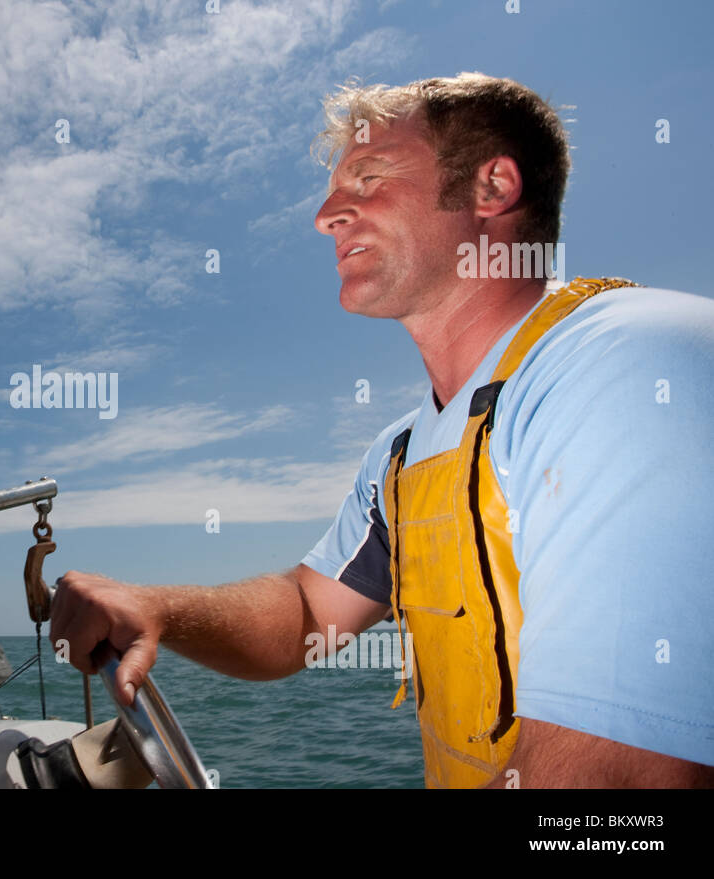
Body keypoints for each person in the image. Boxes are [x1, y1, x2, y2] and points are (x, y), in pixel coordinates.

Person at [49, 73, 714, 788]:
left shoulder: (635, 365)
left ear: (492, 187)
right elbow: (307, 612)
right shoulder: (400, 457)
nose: (326, 214)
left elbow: (618, 800)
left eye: (368, 177)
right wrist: (158, 607)